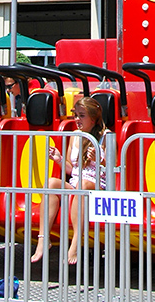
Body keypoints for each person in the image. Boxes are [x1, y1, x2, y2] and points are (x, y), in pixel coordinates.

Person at [31, 96, 106, 266]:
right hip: (77, 182)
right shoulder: (75, 135)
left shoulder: (105, 136)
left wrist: (100, 160)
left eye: (81, 116)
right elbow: (72, 170)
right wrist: (58, 159)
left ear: (93, 118)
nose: (77, 120)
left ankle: (76, 242)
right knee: (51, 183)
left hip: (96, 185)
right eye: (75, 115)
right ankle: (43, 238)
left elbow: (112, 168)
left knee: (82, 185)